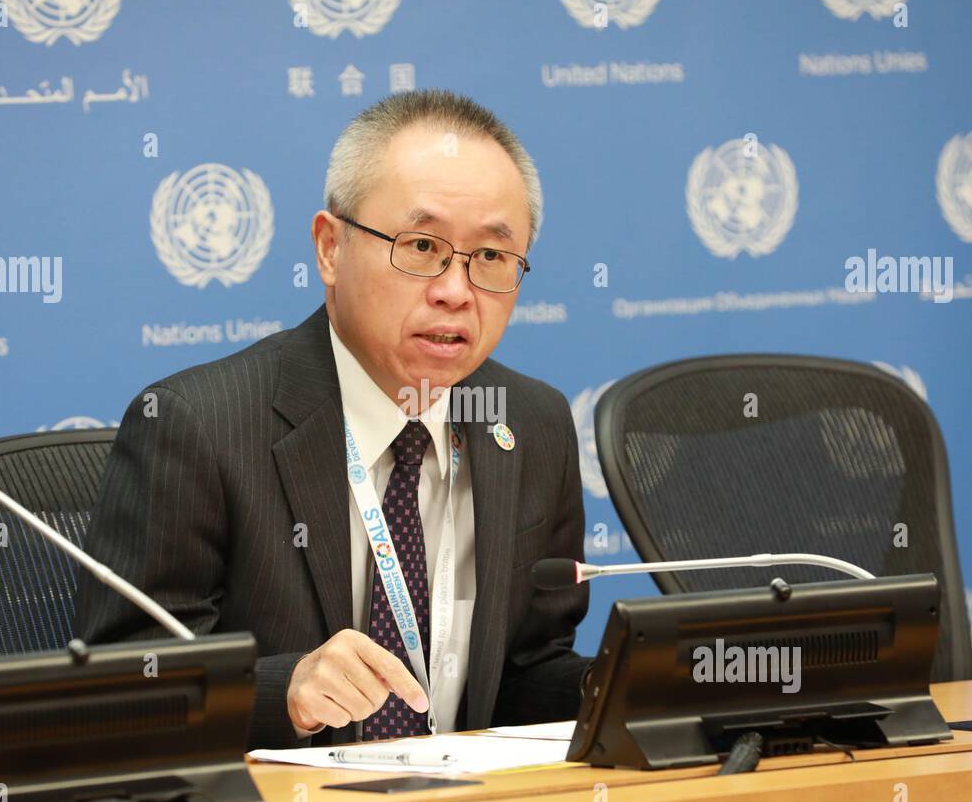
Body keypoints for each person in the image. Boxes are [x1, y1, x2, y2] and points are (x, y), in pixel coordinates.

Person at [76, 90, 591, 748]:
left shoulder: (532, 423)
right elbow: (122, 693)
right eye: (422, 245)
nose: (456, 291)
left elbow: (525, 672)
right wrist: (281, 693)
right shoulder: (198, 427)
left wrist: (627, 687)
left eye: (490, 257)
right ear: (329, 248)